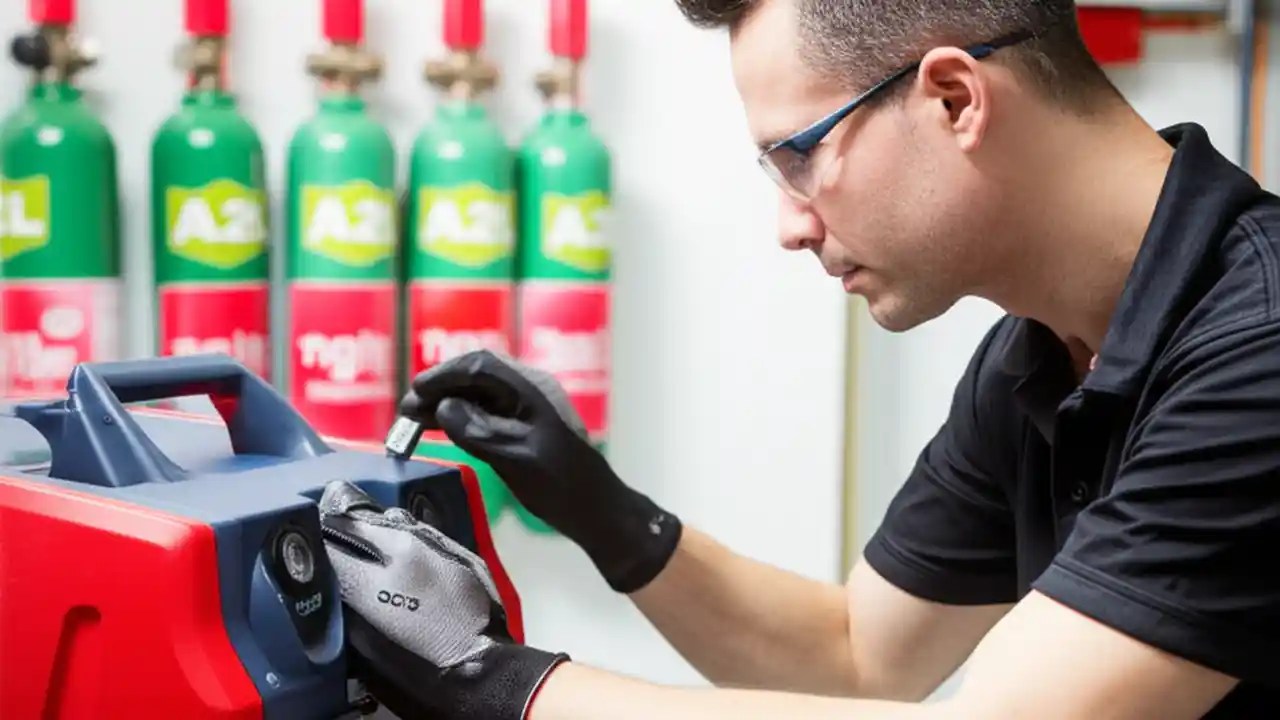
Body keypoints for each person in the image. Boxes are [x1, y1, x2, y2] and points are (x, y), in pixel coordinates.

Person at [317, 0, 1280, 717]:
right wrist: (603, 513)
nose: (790, 224)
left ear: (954, 97)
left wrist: (493, 683)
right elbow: (858, 654)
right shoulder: (1038, 354)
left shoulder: (1259, 349)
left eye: (800, 156)